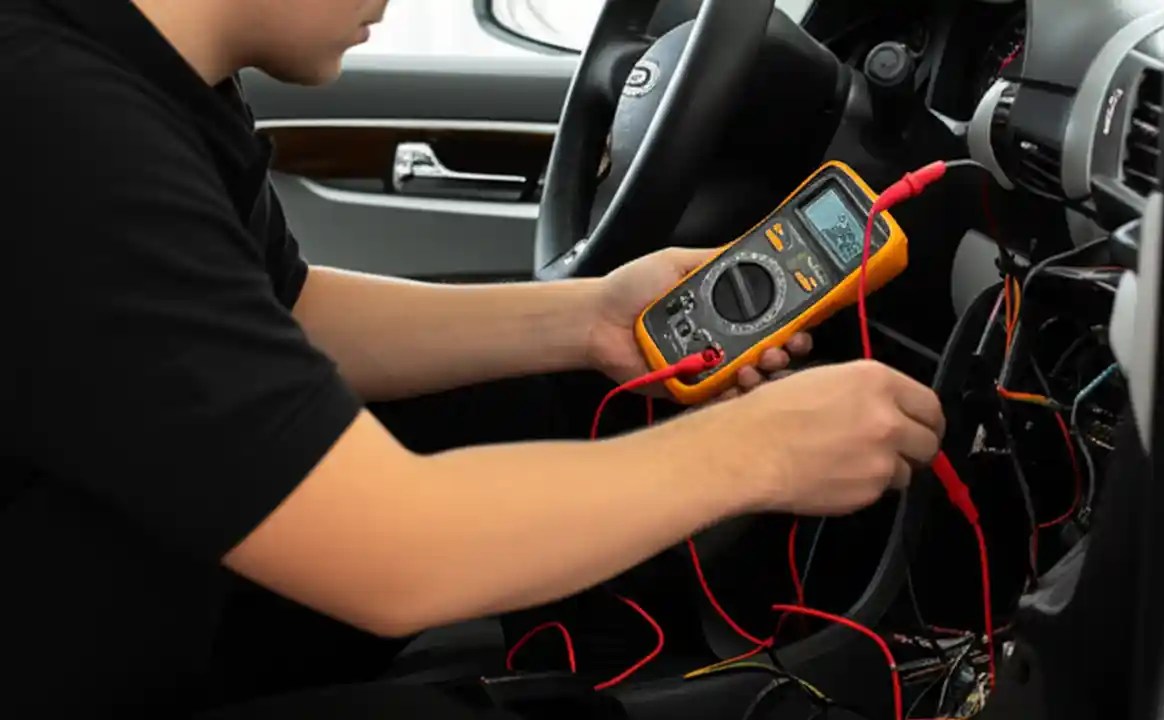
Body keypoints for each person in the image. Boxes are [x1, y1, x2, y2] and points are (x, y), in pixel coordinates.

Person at [0, 0, 945, 716]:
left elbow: (285, 312)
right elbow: (390, 550)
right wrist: (755, 453)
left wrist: (586, 318)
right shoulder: (56, 123)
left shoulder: (148, 78)